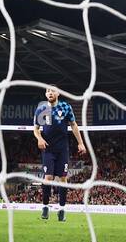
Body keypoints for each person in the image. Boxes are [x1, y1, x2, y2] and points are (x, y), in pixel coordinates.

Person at [33, 85, 87, 222]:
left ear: (58, 93)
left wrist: (80, 142)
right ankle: (45, 207)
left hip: (62, 149)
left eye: (52, 91)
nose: (50, 93)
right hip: (48, 149)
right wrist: (39, 138)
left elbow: (74, 125)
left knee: (63, 179)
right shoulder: (41, 108)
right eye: (47, 91)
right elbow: (36, 129)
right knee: (48, 177)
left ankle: (62, 210)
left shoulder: (66, 107)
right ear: (46, 94)